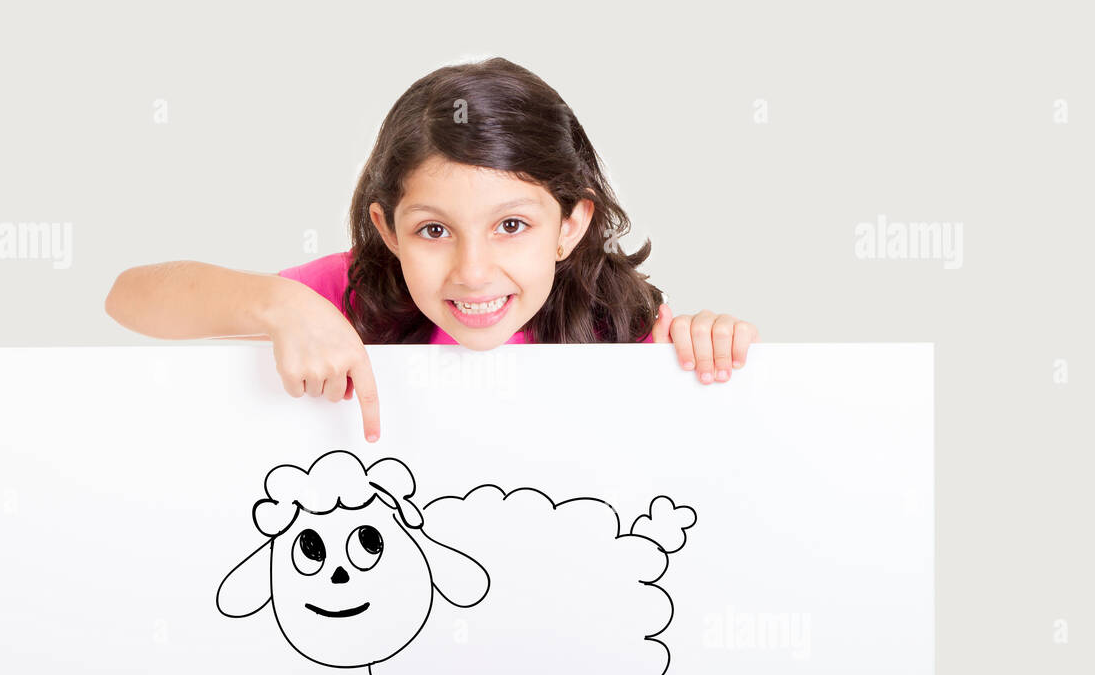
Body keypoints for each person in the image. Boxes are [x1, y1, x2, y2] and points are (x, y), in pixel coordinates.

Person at [105, 57, 759, 444]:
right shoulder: (354, 298)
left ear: (571, 223)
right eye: (434, 231)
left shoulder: (625, 331)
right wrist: (274, 305)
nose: (472, 272)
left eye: (511, 226)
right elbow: (128, 297)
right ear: (388, 230)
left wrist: (710, 343)